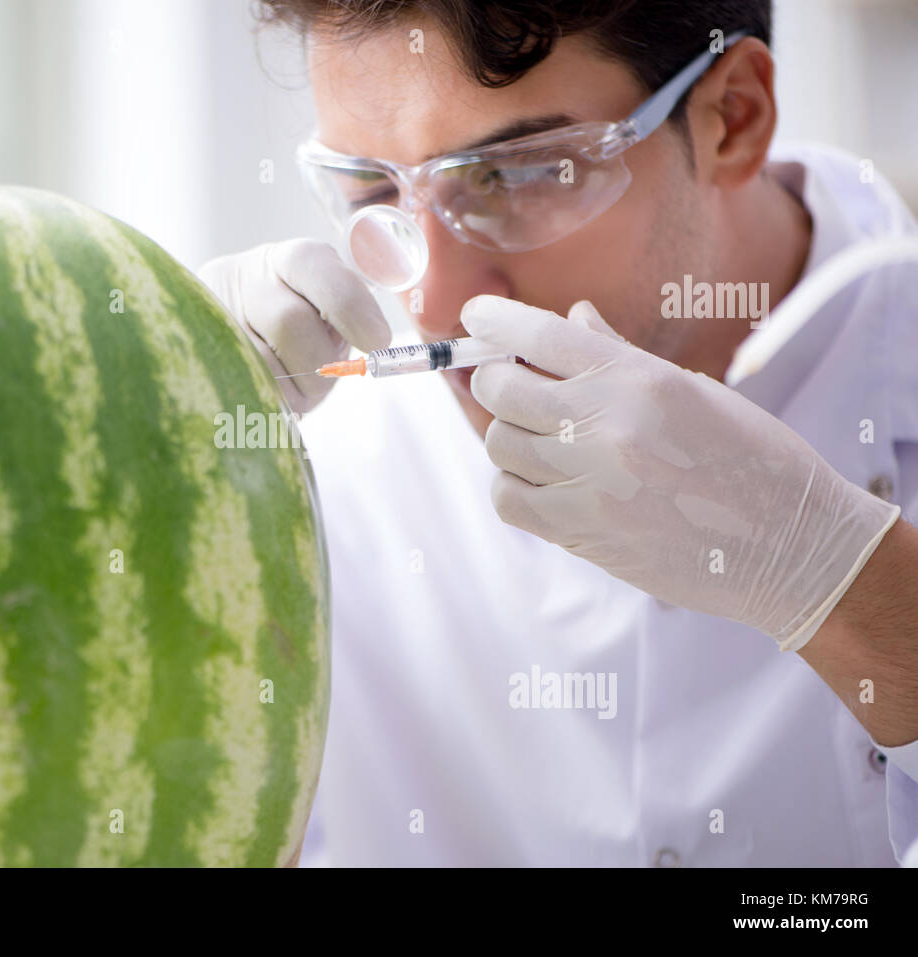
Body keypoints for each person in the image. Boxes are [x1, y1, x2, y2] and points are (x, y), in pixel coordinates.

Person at [198, 0, 918, 866]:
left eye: (510, 176)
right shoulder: (323, 454)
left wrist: (847, 581)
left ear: (734, 115)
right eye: (373, 189)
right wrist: (159, 450)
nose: (429, 300)